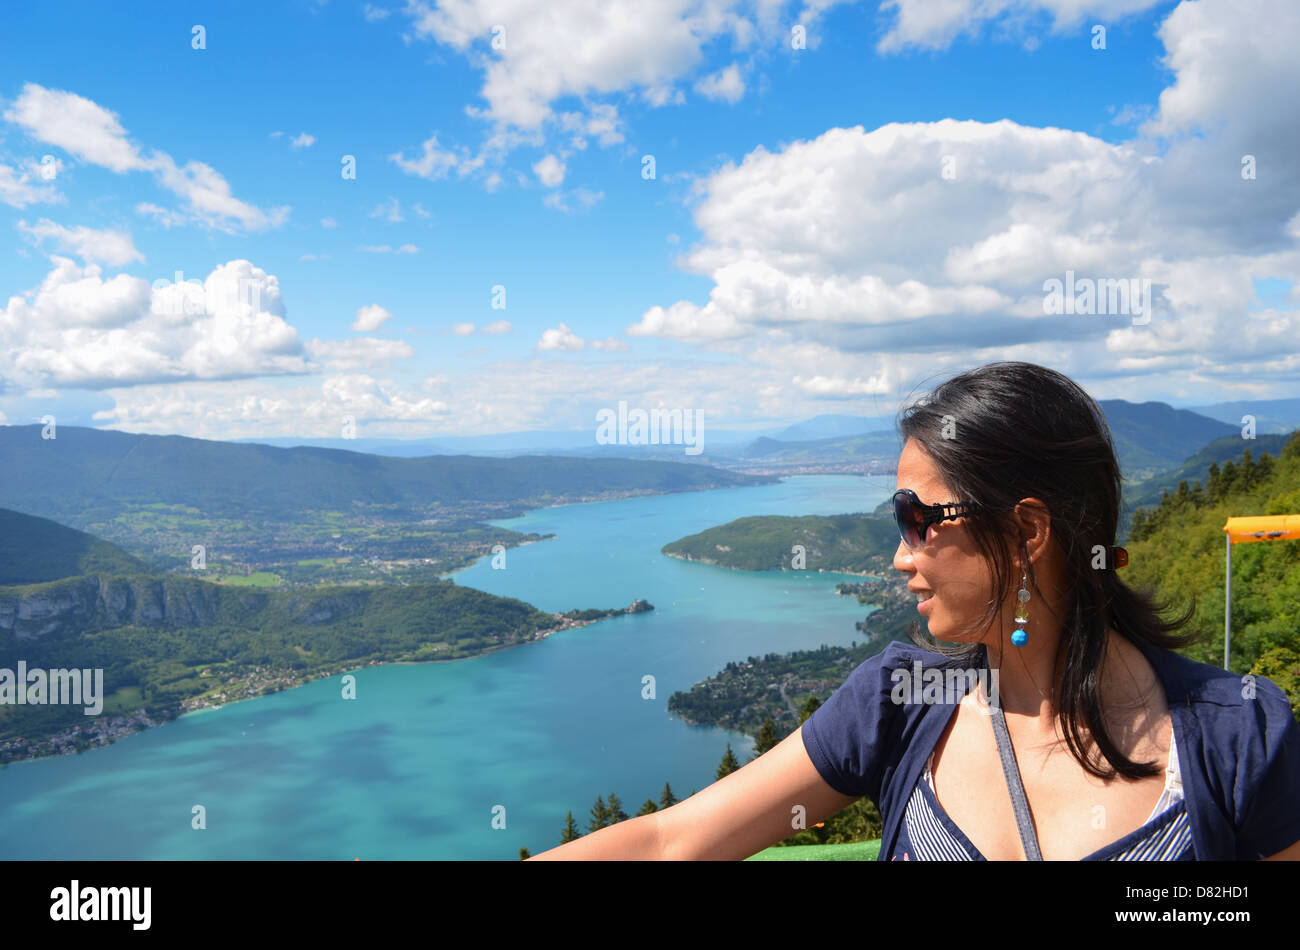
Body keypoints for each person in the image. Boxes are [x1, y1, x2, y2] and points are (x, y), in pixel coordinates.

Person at [528, 362, 1300, 861]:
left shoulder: (1240, 735)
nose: (902, 555)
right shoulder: (898, 700)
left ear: (1027, 532)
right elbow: (671, 841)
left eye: (916, 519)